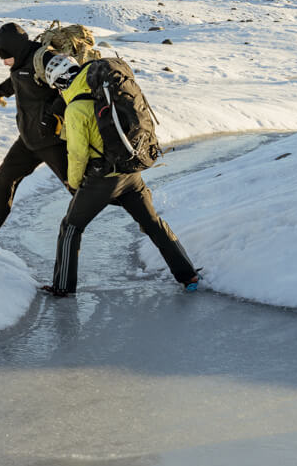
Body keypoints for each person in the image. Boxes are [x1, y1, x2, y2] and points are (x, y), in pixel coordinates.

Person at [39, 52, 199, 296]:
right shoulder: (105, 93)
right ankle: (188, 275)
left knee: (70, 227)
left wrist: (74, 183)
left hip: (101, 179)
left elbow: (78, 154)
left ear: (61, 83)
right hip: (129, 172)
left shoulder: (76, 109)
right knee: (152, 223)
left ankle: (62, 287)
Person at [0, 22, 68, 250]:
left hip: (52, 140)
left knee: (81, 189)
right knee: (4, 178)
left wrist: (49, 118)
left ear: (15, 49)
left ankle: (133, 199)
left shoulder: (45, 59)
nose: (3, 61)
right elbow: (18, 81)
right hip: (29, 140)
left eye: (4, 56)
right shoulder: (21, 63)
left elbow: (71, 86)